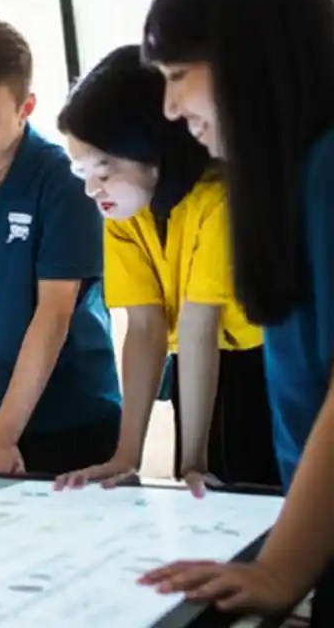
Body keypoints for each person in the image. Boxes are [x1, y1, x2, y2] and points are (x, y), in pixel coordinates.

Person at [128, 0, 334, 621]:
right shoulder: (288, 176)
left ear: (251, 58)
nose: (169, 108)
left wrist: (281, 566)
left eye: (179, 73)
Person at [53, 44, 278, 496]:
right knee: (201, 497)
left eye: (105, 166)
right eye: (82, 170)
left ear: (150, 146)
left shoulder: (216, 198)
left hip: (257, 366)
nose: (93, 188)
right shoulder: (121, 215)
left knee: (251, 497)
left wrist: (194, 460)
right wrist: (125, 455)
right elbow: (144, 328)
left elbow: (199, 325)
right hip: (195, 367)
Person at [0, 19, 121, 476]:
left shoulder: (65, 180)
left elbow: (54, 313)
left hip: (72, 413)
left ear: (26, 108)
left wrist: (4, 435)